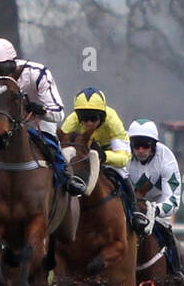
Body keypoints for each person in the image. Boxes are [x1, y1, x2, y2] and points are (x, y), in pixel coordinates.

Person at [0, 37, 87, 198]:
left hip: (39, 124)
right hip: (7, 126)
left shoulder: (38, 73)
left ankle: (65, 177)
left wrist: (40, 110)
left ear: (11, 63)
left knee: (50, 146)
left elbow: (58, 113)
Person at [59, 89, 141, 229]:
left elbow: (124, 158)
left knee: (122, 173)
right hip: (83, 154)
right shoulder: (71, 121)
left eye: (93, 118)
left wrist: (104, 156)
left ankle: (134, 213)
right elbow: (60, 149)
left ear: (102, 116)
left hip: (108, 153)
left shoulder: (112, 120)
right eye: (84, 118)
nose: (89, 122)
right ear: (78, 117)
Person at [126, 118, 184, 275]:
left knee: (167, 234)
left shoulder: (167, 159)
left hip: (158, 206)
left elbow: (173, 200)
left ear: (154, 145)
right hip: (132, 204)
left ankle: (176, 271)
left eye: (145, 145)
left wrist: (155, 210)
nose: (140, 150)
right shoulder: (123, 155)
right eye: (136, 145)